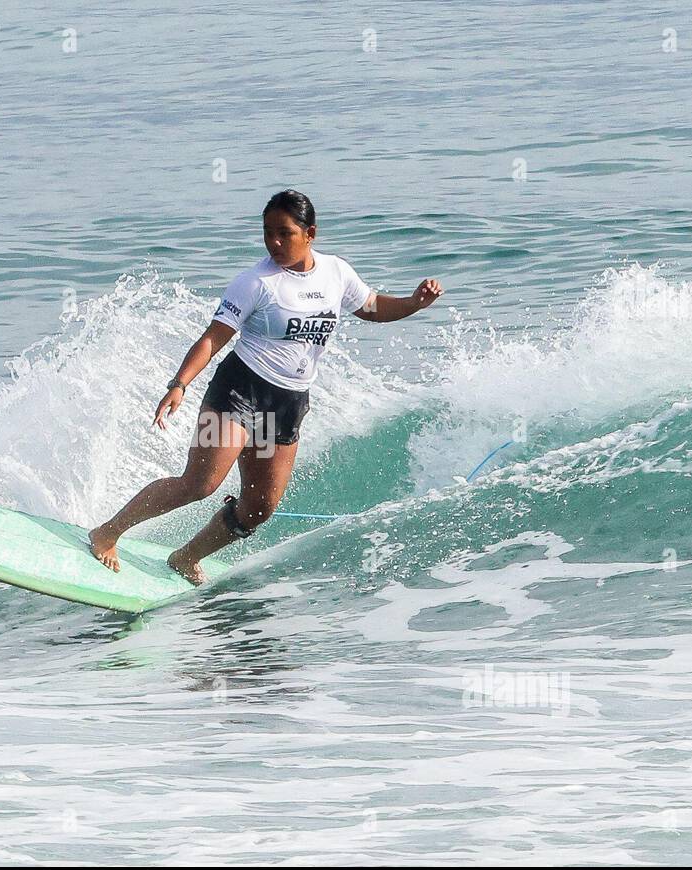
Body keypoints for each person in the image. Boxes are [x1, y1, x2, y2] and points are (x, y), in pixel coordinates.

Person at [88, 189, 444, 584]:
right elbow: (213, 338)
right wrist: (180, 383)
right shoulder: (255, 282)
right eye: (267, 233)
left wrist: (413, 303)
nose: (274, 242)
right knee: (199, 484)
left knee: (259, 507)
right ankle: (108, 532)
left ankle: (186, 557)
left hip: (288, 402)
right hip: (238, 392)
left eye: (284, 233)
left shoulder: (336, 273)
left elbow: (373, 307)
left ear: (310, 233)